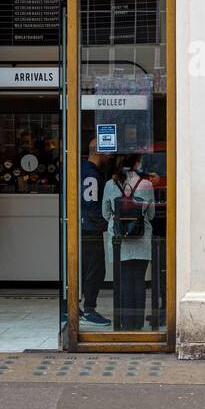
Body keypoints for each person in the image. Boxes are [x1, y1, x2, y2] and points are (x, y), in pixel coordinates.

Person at [103, 155, 155, 331]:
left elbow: (105, 213)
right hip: (142, 239)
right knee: (139, 281)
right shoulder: (147, 185)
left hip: (119, 241)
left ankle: (125, 322)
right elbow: (151, 215)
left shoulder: (110, 185)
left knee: (123, 281)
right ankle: (138, 323)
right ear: (136, 164)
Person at [79, 139, 111, 326]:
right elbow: (91, 204)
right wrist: (104, 224)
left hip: (83, 226)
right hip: (90, 229)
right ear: (100, 152)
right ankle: (89, 310)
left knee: (86, 269)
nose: (111, 155)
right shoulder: (92, 174)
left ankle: (81, 309)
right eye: (108, 151)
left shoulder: (83, 169)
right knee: (96, 270)